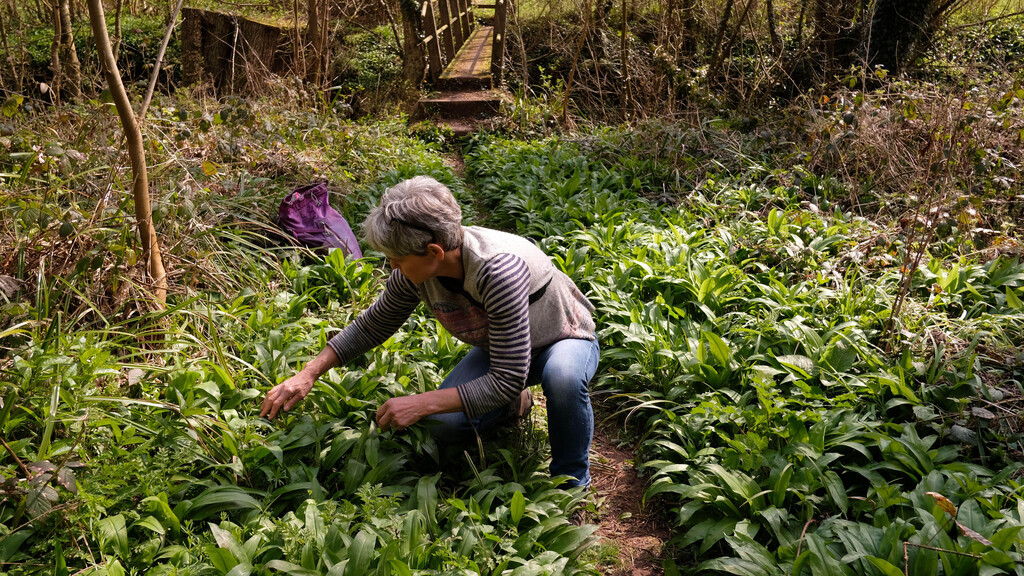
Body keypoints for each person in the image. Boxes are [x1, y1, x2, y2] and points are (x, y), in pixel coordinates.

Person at [260, 176, 599, 487]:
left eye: (397, 257)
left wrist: (421, 403)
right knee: (445, 427)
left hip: (561, 337)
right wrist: (308, 373)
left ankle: (571, 482)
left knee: (564, 379)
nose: (391, 265)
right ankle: (515, 406)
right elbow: (374, 323)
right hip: (503, 347)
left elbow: (508, 376)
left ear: (435, 251)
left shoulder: (497, 270)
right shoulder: (414, 272)